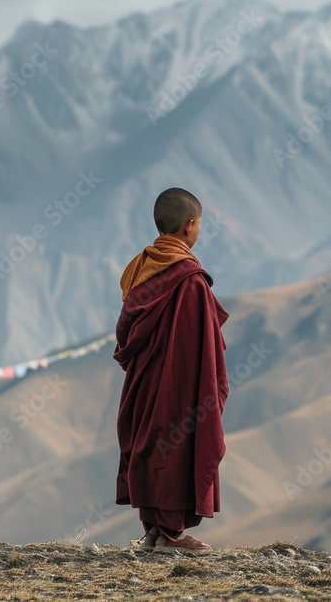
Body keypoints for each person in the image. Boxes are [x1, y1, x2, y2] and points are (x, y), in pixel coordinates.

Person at [113, 187, 230, 554]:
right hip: (179, 384)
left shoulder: (140, 268)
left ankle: (154, 530)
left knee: (150, 445)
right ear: (189, 226)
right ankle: (170, 535)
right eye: (200, 226)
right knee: (176, 446)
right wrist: (210, 385)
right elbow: (204, 345)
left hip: (145, 381)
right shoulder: (189, 280)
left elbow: (127, 328)